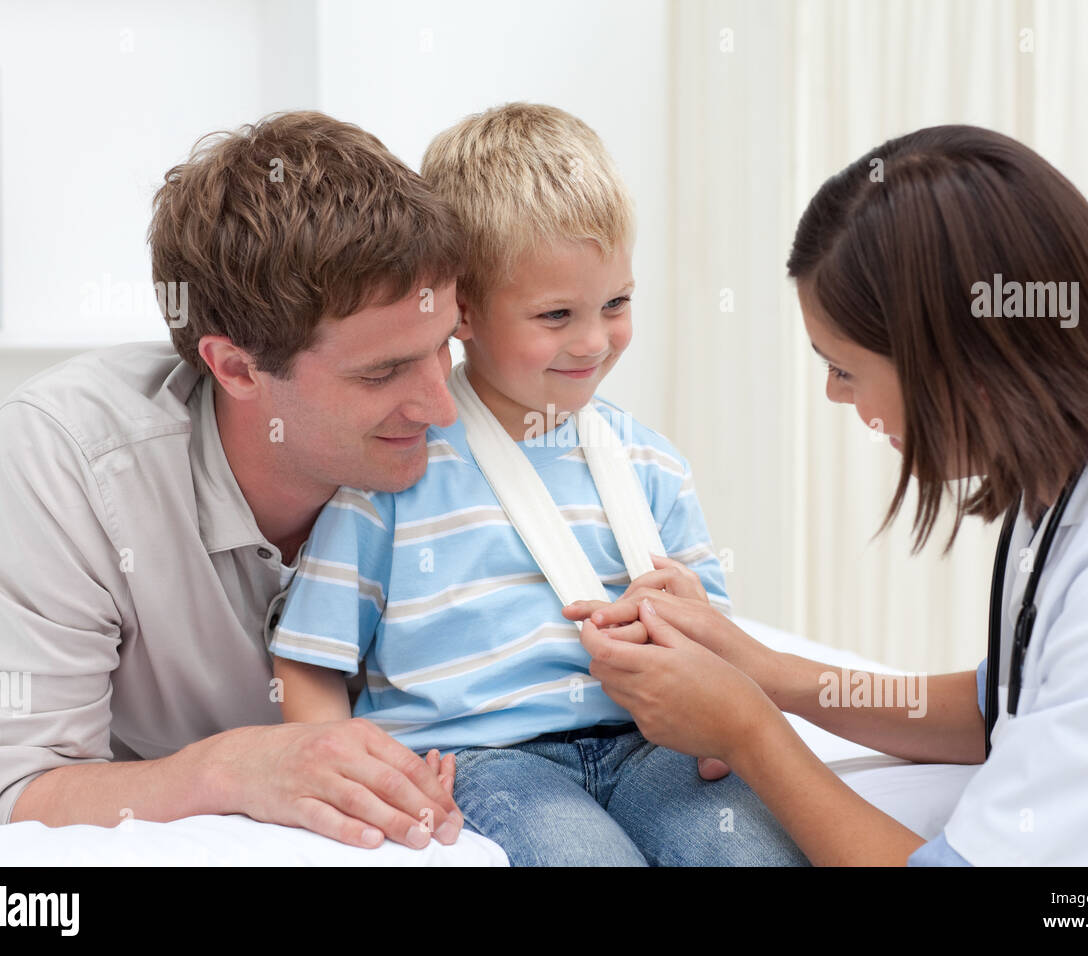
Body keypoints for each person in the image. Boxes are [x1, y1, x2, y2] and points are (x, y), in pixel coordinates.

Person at [565, 124, 1088, 865]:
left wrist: (748, 731)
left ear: (962, 368)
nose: (832, 394)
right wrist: (766, 670)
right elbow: (1002, 705)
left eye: (844, 368)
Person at [267, 102, 809, 865]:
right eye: (555, 315)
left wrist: (724, 720)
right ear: (464, 313)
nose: (593, 341)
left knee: (751, 855)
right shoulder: (391, 471)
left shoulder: (648, 464)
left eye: (616, 304)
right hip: (492, 759)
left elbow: (713, 639)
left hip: (649, 744)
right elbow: (311, 658)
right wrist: (346, 768)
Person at [0, 111, 471, 850]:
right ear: (234, 367)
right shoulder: (63, 456)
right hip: (14, 671)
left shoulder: (476, 438)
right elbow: (25, 789)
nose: (442, 406)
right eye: (381, 372)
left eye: (444, 346)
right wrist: (232, 768)